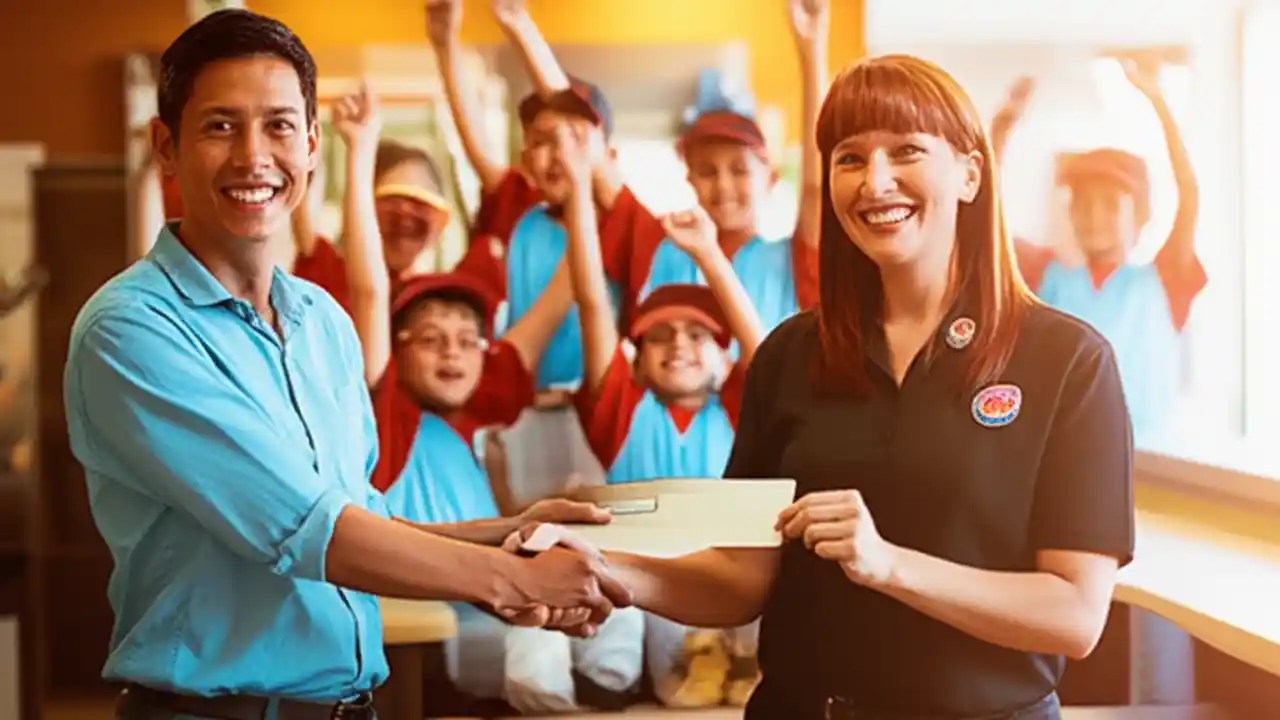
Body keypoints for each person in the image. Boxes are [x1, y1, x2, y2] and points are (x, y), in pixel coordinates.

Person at [514, 54, 1136, 720]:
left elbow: (1073, 614)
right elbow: (739, 579)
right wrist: (608, 571)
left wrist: (889, 565)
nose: (875, 183)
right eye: (849, 158)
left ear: (969, 172)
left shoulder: (1067, 361)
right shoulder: (790, 355)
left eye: (906, 152)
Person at [61, 11, 628, 718]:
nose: (253, 157)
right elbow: (307, 529)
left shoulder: (324, 324)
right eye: (220, 126)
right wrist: (511, 583)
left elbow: (363, 516)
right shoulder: (133, 329)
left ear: (311, 147)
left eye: (278, 126)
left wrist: (509, 534)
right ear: (166, 149)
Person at [331, 84, 640, 713]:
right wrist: (360, 154)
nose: (453, 353)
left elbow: (564, 300)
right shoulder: (384, 408)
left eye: (469, 341)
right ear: (397, 346)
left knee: (620, 606)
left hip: (492, 602)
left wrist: (584, 192)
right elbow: (366, 293)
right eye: (432, 340)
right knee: (539, 643)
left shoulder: (474, 410)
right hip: (433, 611)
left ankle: (606, 697)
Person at [560, 122, 768, 708]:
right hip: (659, 588)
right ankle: (630, 680)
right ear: (641, 362)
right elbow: (592, 301)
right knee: (647, 637)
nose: (678, 345)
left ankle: (739, 668)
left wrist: (707, 253)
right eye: (661, 337)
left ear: (723, 357)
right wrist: (579, 183)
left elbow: (767, 358)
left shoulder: (740, 406)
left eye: (698, 335)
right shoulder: (623, 412)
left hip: (733, 583)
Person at [990, 60, 1205, 445]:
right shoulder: (1047, 277)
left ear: (1140, 214)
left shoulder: (1164, 280)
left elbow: (1189, 193)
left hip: (1151, 464)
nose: (1094, 217)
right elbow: (987, 221)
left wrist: (1157, 102)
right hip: (1061, 455)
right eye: (1082, 204)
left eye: (1109, 205)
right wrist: (1001, 130)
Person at [597, 0, 826, 341]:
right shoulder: (666, 253)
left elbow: (817, 187)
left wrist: (812, 50)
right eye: (707, 170)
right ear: (688, 177)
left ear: (772, 178)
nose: (723, 185)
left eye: (739, 170)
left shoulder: (791, 262)